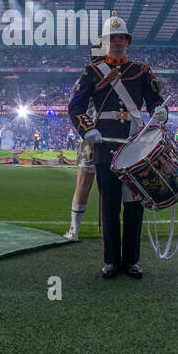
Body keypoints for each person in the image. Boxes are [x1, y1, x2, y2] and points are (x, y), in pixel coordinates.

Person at [67, 12, 165, 279]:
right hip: (104, 144)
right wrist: (88, 130)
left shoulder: (141, 70)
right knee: (109, 205)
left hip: (135, 144)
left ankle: (131, 260)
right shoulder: (92, 71)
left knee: (134, 204)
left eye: (121, 37)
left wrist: (159, 112)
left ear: (128, 41)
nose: (117, 41)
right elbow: (75, 107)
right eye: (113, 37)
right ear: (105, 41)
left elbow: (156, 100)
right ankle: (111, 260)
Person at [64, 39, 106, 242]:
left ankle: (74, 230)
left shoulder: (86, 76)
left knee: (84, 183)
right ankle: (79, 229)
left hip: (90, 135)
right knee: (107, 184)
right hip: (101, 135)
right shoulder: (111, 75)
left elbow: (72, 107)